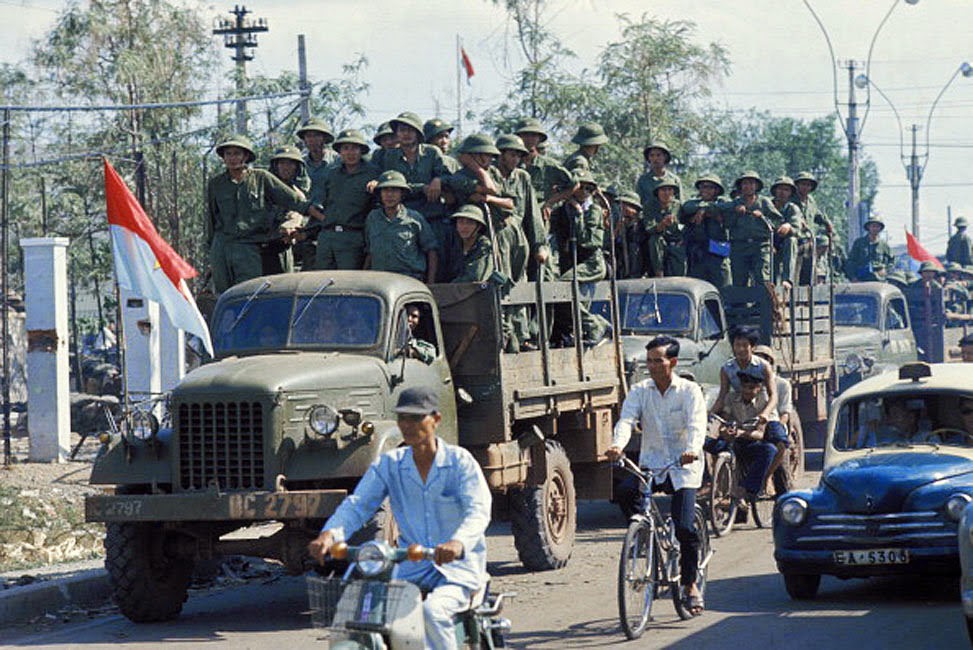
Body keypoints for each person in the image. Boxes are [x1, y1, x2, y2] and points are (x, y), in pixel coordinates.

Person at [307, 386, 492, 650]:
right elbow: (358, 505)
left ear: (435, 419)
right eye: (402, 418)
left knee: (433, 613)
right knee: (368, 615)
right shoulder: (390, 464)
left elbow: (479, 510)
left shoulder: (460, 462)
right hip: (411, 567)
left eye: (416, 418)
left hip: (459, 570)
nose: (407, 425)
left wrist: (458, 543)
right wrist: (330, 534)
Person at [606, 335, 707, 617]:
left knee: (686, 529)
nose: (651, 366)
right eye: (648, 360)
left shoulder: (689, 391)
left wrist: (691, 450)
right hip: (651, 464)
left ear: (672, 362)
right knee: (625, 491)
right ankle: (643, 535)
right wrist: (618, 445)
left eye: (657, 361)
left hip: (683, 466)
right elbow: (627, 420)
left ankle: (690, 585)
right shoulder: (640, 390)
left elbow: (697, 425)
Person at [206, 135, 322, 294]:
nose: (232, 158)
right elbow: (211, 219)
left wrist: (323, 219)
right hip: (222, 245)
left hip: (248, 247)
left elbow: (295, 201)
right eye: (228, 154)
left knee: (249, 292)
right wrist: (211, 254)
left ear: (246, 156)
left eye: (237, 154)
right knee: (223, 294)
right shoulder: (216, 184)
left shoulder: (261, 178)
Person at [548, 168, 611, 345]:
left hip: (592, 263)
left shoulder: (593, 210)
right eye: (581, 188)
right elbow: (553, 236)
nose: (584, 193)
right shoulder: (561, 212)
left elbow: (588, 241)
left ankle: (594, 324)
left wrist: (579, 214)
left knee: (562, 287)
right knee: (558, 293)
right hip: (570, 262)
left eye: (589, 189)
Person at [312, 129, 381, 271]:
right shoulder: (331, 173)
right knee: (321, 281)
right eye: (346, 148)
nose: (350, 153)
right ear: (340, 152)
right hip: (327, 236)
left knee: (349, 282)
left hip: (353, 236)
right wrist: (324, 220)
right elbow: (316, 202)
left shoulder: (373, 173)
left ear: (361, 150)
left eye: (355, 148)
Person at [363, 170, 439, 282]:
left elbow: (431, 250)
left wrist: (430, 282)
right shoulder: (372, 218)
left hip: (408, 278)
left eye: (394, 190)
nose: (389, 195)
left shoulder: (414, 218)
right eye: (385, 190)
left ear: (402, 194)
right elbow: (370, 251)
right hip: (379, 278)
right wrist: (364, 275)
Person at [722, 370, 784, 499]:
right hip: (731, 441)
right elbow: (725, 419)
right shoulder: (731, 398)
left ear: (759, 388)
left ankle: (748, 489)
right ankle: (712, 486)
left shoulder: (764, 402)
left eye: (751, 388)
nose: (747, 391)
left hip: (749, 442)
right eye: (744, 387)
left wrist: (741, 433)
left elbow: (760, 434)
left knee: (770, 449)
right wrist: (725, 429)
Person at [722, 172, 783, 288]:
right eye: (744, 183)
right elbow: (726, 223)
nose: (747, 186)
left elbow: (778, 221)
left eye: (751, 183)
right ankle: (740, 305)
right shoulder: (735, 203)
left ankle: (764, 304)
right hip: (739, 246)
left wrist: (763, 217)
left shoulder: (764, 202)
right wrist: (736, 213)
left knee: (763, 277)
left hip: (761, 245)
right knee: (739, 280)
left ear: (756, 186)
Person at [709, 325, 777, 422]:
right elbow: (722, 396)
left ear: (752, 347)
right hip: (739, 412)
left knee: (778, 435)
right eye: (737, 345)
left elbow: (773, 396)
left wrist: (765, 414)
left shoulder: (764, 366)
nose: (741, 349)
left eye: (745, 345)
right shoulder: (726, 369)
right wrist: (710, 415)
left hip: (763, 410)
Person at [515, 117, 575, 222]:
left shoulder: (549, 165)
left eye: (533, 135)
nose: (529, 139)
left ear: (539, 138)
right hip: (515, 215)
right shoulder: (511, 163)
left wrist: (550, 203)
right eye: (524, 135)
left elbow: (574, 185)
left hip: (538, 216)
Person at [752, 344, 793, 493]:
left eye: (764, 360)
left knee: (779, 446)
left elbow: (785, 411)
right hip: (752, 424)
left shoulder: (782, 384)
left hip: (773, 423)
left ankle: (768, 477)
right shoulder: (748, 381)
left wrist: (779, 426)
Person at [265, 145, 308, 274]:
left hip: (284, 247)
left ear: (297, 167)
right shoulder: (264, 189)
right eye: (282, 163)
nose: (285, 167)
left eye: (290, 164)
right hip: (260, 246)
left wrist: (292, 223)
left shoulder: (298, 194)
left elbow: (300, 215)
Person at [681, 174, 730, 287]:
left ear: (717, 190)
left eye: (710, 187)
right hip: (699, 250)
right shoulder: (693, 203)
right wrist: (702, 208)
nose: (706, 190)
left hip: (719, 247)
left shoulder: (723, 202)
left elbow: (726, 207)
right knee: (697, 285)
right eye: (703, 187)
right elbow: (686, 207)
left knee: (722, 284)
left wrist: (705, 210)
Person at [644, 178, 685, 277]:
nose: (666, 193)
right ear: (657, 192)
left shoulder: (678, 206)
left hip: (676, 242)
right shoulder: (650, 206)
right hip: (658, 242)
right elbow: (649, 228)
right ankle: (659, 273)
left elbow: (685, 225)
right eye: (663, 190)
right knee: (655, 240)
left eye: (669, 190)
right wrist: (662, 224)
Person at [769, 176, 804, 289]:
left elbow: (797, 228)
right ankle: (769, 285)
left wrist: (789, 226)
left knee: (792, 241)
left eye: (786, 190)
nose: (782, 193)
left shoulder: (792, 208)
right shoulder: (766, 205)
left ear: (790, 193)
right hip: (767, 244)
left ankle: (787, 280)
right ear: (774, 191)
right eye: (780, 189)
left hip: (784, 245)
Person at [636, 141, 683, 223]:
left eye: (658, 155)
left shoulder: (674, 180)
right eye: (652, 155)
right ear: (648, 158)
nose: (655, 158)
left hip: (671, 222)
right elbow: (639, 204)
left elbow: (680, 204)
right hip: (649, 221)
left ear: (665, 157)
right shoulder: (643, 180)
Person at [296, 117, 338, 205]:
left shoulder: (337, 161)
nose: (312, 139)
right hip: (305, 211)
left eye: (316, 135)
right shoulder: (299, 164)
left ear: (324, 138)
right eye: (308, 136)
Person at [449, 204, 494, 283]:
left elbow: (477, 276)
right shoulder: (454, 243)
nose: (464, 226)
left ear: (478, 227)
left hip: (478, 292)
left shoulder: (484, 245)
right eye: (461, 222)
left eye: (470, 223)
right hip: (456, 291)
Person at [845, 215, 893, 282]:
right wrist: (853, 277)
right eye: (873, 226)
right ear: (868, 227)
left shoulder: (884, 245)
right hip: (861, 279)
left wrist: (886, 270)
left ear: (880, 228)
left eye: (877, 226)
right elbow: (851, 262)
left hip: (879, 280)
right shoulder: (859, 243)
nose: (875, 229)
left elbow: (891, 262)